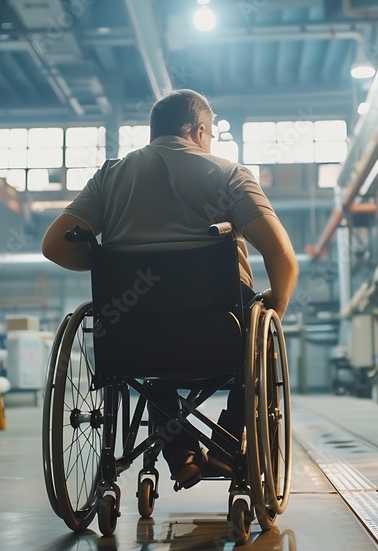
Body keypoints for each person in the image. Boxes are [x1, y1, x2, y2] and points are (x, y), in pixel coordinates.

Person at [42, 89, 298, 489]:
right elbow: (279, 251)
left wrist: (113, 267)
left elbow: (54, 245)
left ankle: (181, 453)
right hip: (219, 331)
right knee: (257, 335)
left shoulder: (109, 176)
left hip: (131, 335)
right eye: (210, 134)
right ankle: (230, 449)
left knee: (152, 363)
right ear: (199, 131)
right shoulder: (229, 173)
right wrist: (277, 303)